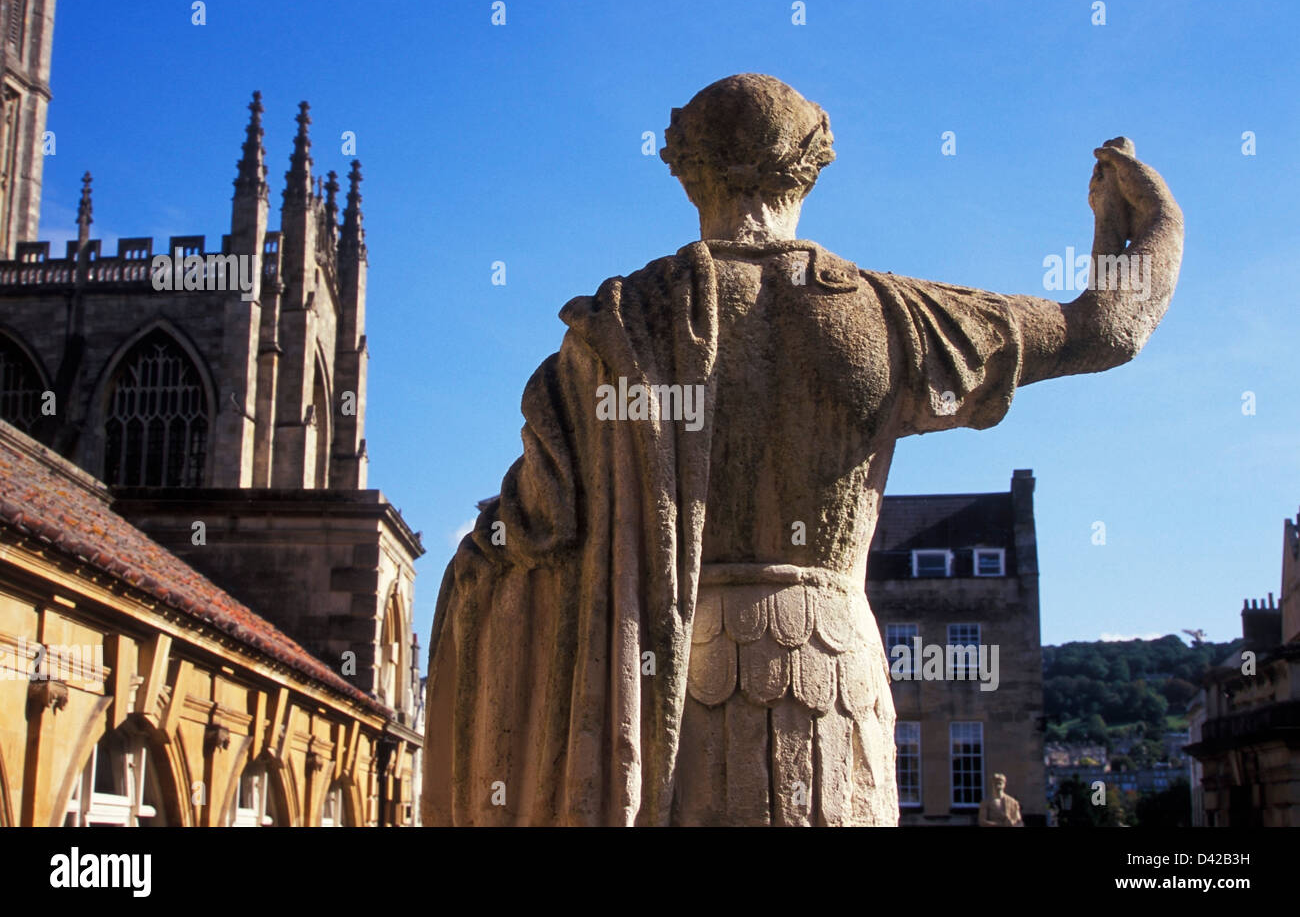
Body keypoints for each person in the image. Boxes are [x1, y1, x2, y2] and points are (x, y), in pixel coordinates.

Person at [421, 73, 1183, 826]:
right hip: (833, 690)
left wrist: (477, 565)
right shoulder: (890, 319)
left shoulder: (617, 331)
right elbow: (1109, 327)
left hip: (661, 700)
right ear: (815, 161)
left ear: (685, 165)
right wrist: (1144, 217)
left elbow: (527, 531)